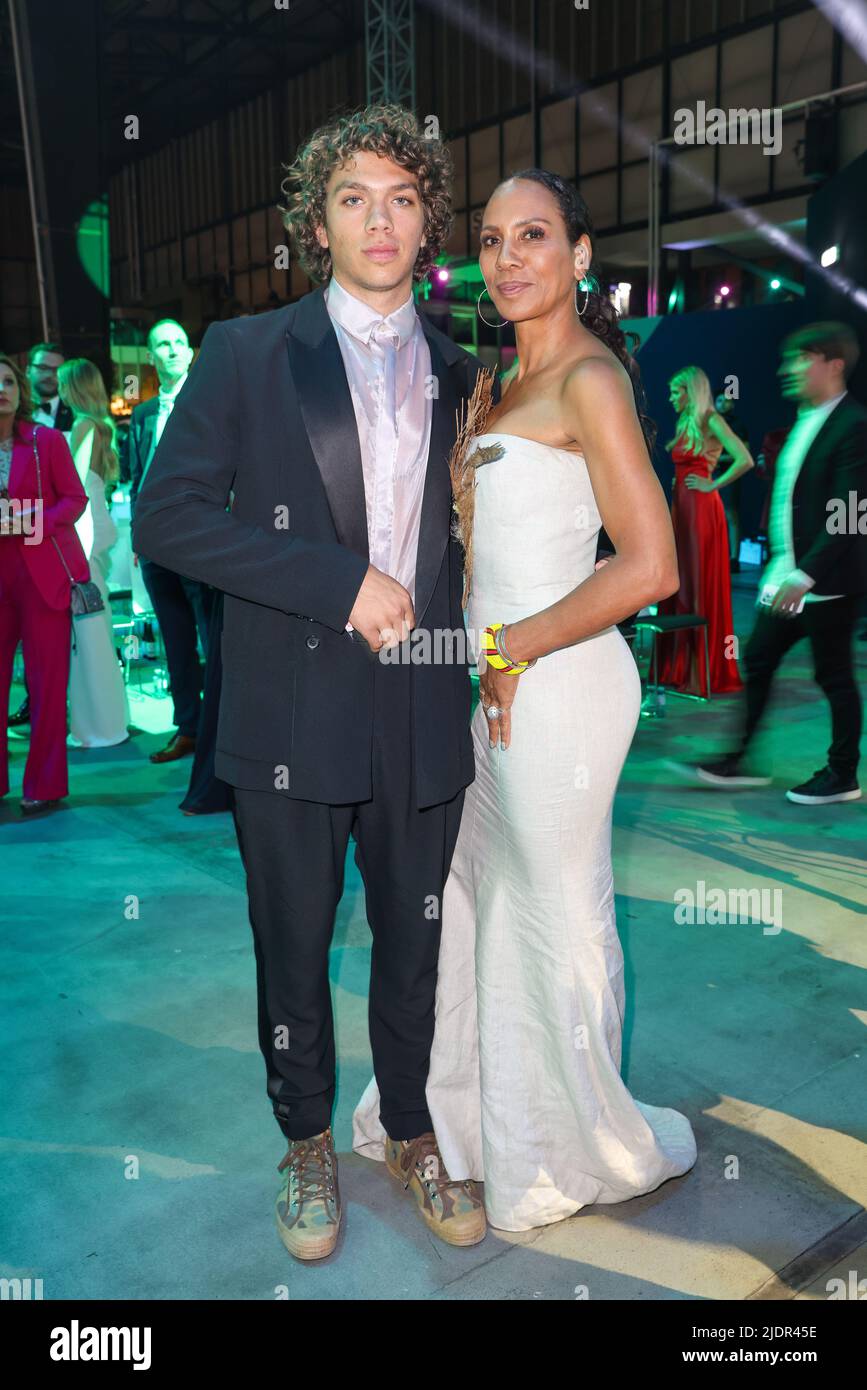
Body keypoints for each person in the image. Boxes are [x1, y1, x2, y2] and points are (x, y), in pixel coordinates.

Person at [133, 104, 491, 1260]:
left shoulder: (469, 370)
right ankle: (304, 1140)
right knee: (292, 941)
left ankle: (412, 1125)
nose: (379, 221)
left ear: (427, 220)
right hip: (289, 708)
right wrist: (334, 581)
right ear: (317, 223)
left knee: (415, 938)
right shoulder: (247, 352)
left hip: (423, 704)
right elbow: (167, 517)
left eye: (401, 198)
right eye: (353, 199)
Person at [352, 170, 698, 1232]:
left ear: (580, 255)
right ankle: (473, 1120)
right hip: (497, 684)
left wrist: (509, 648)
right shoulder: (499, 381)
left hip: (564, 687)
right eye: (493, 239)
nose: (507, 259)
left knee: (552, 913)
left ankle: (565, 1143)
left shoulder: (590, 377)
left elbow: (650, 566)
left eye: (534, 235)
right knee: (480, 906)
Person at [690, 322, 866, 804]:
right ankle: (740, 760)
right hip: (787, 574)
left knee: (833, 675)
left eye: (802, 358)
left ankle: (842, 774)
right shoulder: (805, 420)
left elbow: (850, 513)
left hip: (826, 582)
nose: (788, 368)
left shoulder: (853, 425)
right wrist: (783, 566)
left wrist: (806, 575)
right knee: (761, 657)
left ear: (834, 365)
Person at [0, 352, 89, 814]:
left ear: (21, 391)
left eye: (8, 382)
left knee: (48, 684)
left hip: (41, 576)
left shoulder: (45, 440)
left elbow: (75, 499)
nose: (2, 390)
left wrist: (32, 521)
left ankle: (45, 784)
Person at [128, 320, 214, 764]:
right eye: (164, 344)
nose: (174, 349)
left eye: (181, 342)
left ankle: (219, 732)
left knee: (211, 639)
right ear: (150, 356)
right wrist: (137, 534)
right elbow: (135, 477)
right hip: (155, 543)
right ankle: (189, 729)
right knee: (175, 641)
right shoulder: (142, 414)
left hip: (199, 538)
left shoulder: (207, 402)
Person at [652, 366, 754, 695]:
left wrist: (713, 483)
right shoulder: (687, 420)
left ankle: (699, 668)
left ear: (691, 391)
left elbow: (744, 459)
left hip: (701, 512)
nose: (670, 398)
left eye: (676, 392)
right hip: (682, 509)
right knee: (680, 580)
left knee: (697, 581)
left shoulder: (711, 419)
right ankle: (677, 665)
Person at [57, 359, 130, 748]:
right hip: (94, 524)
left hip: (83, 530)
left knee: (88, 630)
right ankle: (105, 721)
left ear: (73, 387)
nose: (59, 391)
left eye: (62, 383)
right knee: (95, 627)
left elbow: (74, 482)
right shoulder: (100, 425)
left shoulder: (85, 425)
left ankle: (99, 726)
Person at [714, 389, 750, 571]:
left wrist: (717, 458)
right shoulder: (709, 423)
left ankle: (734, 558)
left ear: (732, 404)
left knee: (730, 515)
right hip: (709, 474)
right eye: (719, 400)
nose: (723, 404)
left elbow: (744, 454)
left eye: (727, 400)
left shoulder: (737, 425)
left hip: (730, 474)